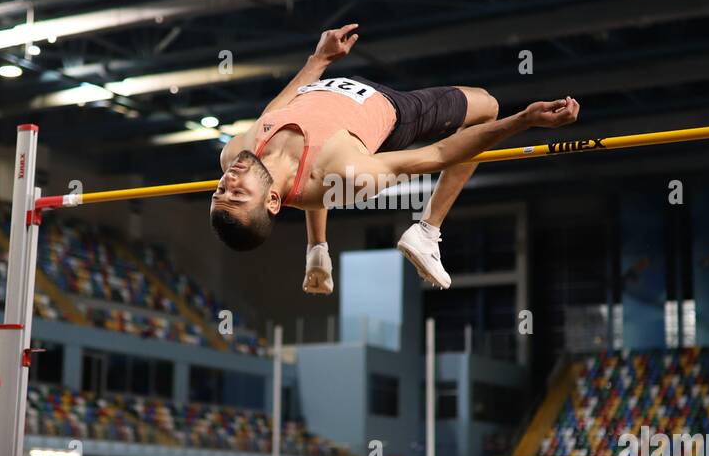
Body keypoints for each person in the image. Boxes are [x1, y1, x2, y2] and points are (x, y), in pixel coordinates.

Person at [208, 24, 580, 291]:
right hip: (394, 111)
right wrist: (524, 120)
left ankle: (318, 250)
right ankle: (427, 232)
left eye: (220, 192)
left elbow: (277, 109)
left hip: (327, 98)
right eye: (238, 195)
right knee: (488, 105)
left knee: (306, 174)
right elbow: (437, 154)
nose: (229, 183)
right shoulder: (348, 174)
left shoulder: (236, 153)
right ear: (271, 201)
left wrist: (318, 60)